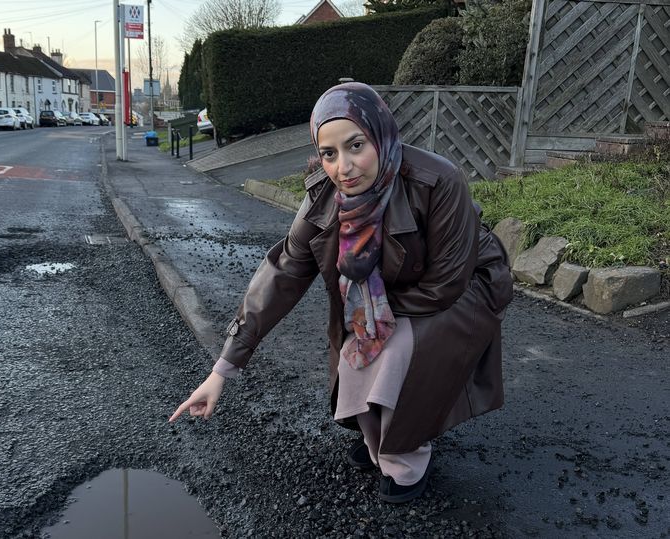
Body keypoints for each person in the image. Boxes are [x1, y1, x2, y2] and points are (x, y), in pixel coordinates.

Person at [169, 82, 513, 503]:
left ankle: (405, 457)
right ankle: (379, 441)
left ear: (381, 135)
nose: (343, 167)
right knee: (359, 348)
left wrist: (372, 314)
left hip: (463, 288)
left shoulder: (438, 181)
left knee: (398, 350)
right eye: (329, 154)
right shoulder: (323, 200)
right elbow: (281, 276)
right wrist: (221, 371)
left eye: (356, 146)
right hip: (385, 294)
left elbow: (446, 284)